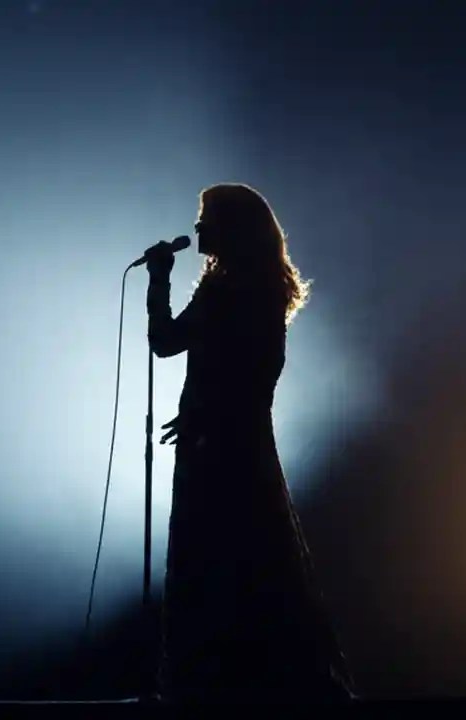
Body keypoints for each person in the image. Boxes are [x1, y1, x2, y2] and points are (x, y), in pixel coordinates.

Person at [145, 182, 356, 703]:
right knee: (253, 556)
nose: (196, 228)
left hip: (220, 448)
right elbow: (202, 355)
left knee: (216, 558)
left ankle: (214, 686)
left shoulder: (231, 291)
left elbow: (174, 346)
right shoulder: (250, 288)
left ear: (232, 226)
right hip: (232, 443)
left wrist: (158, 281)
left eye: (207, 217)